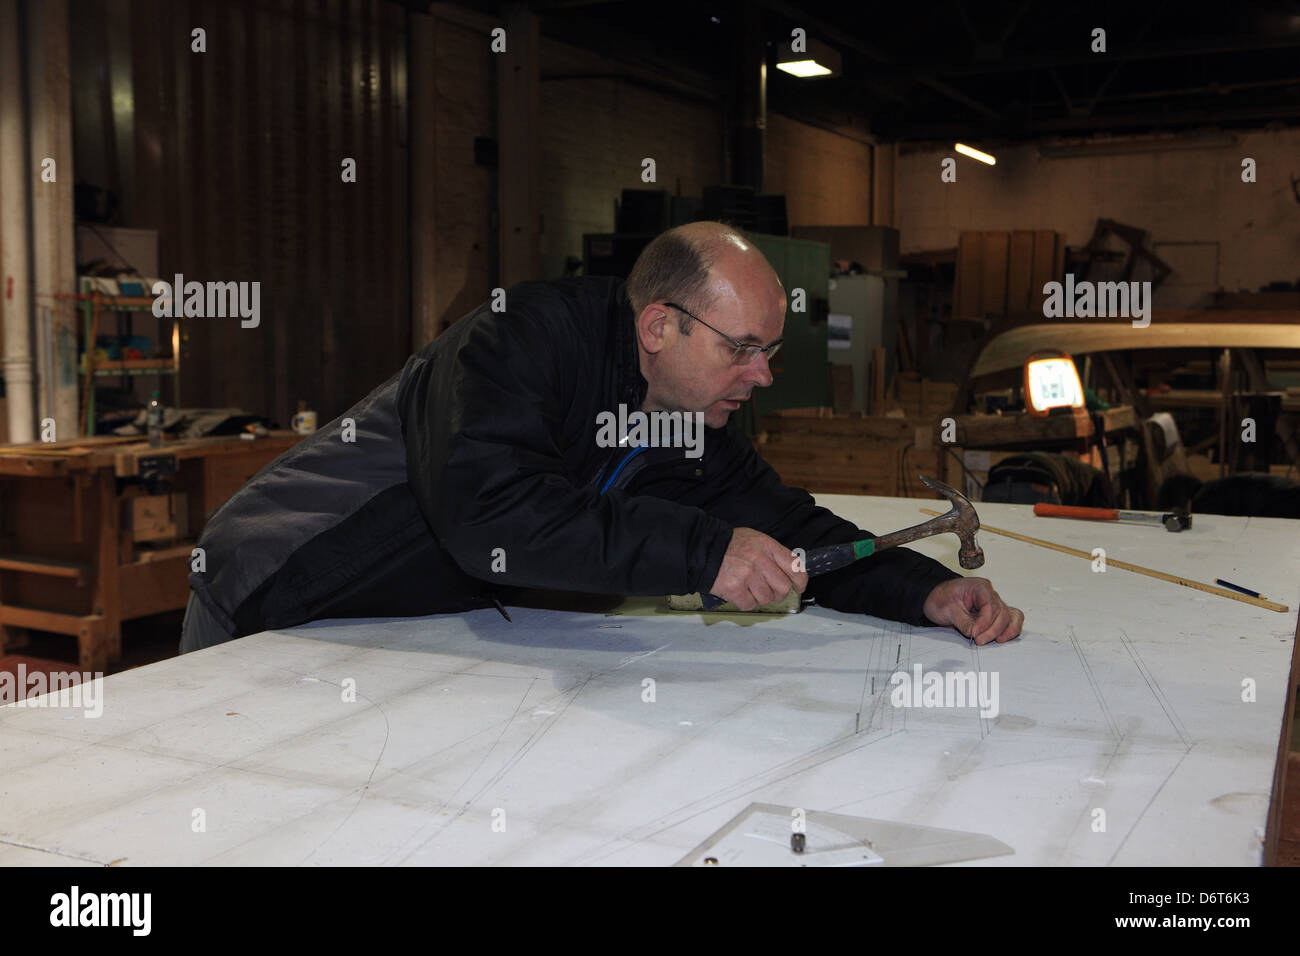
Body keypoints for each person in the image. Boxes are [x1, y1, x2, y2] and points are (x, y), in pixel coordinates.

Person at [180, 222, 1024, 653]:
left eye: (770, 353)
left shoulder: (687, 414)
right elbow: (493, 516)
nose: (762, 376)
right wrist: (704, 553)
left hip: (396, 627)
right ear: (660, 326)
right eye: (743, 351)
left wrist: (921, 590)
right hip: (275, 594)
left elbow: (784, 524)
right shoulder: (517, 342)